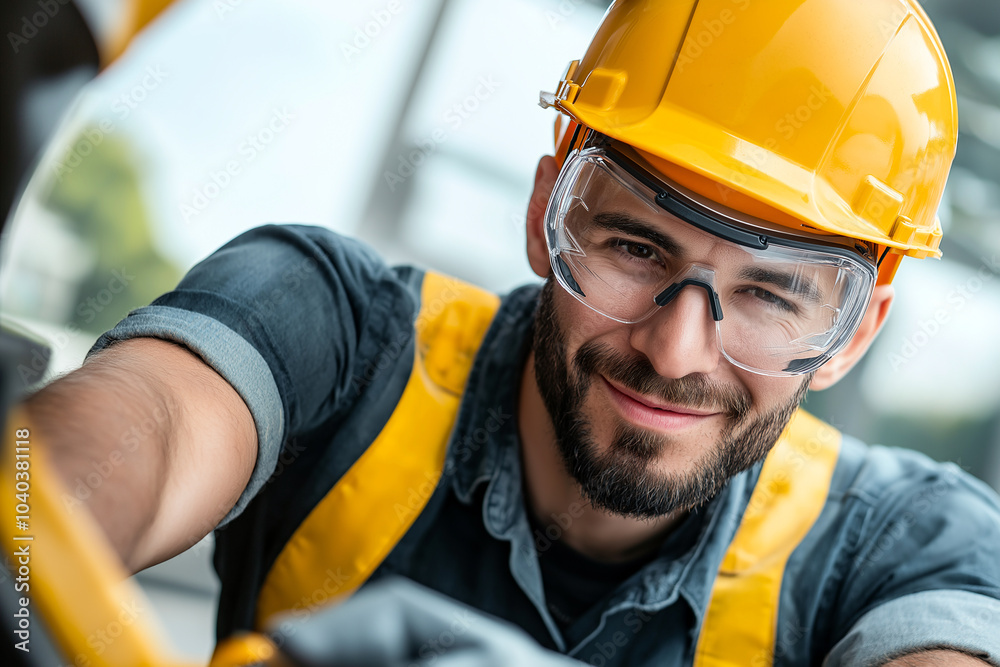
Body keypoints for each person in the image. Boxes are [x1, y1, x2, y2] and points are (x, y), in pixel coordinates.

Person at [17, 0, 1000, 665]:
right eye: (633, 244)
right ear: (546, 212)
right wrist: (25, 539)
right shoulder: (334, 329)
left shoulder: (901, 543)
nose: (675, 349)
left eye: (772, 295)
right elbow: (99, 454)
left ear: (854, 332)